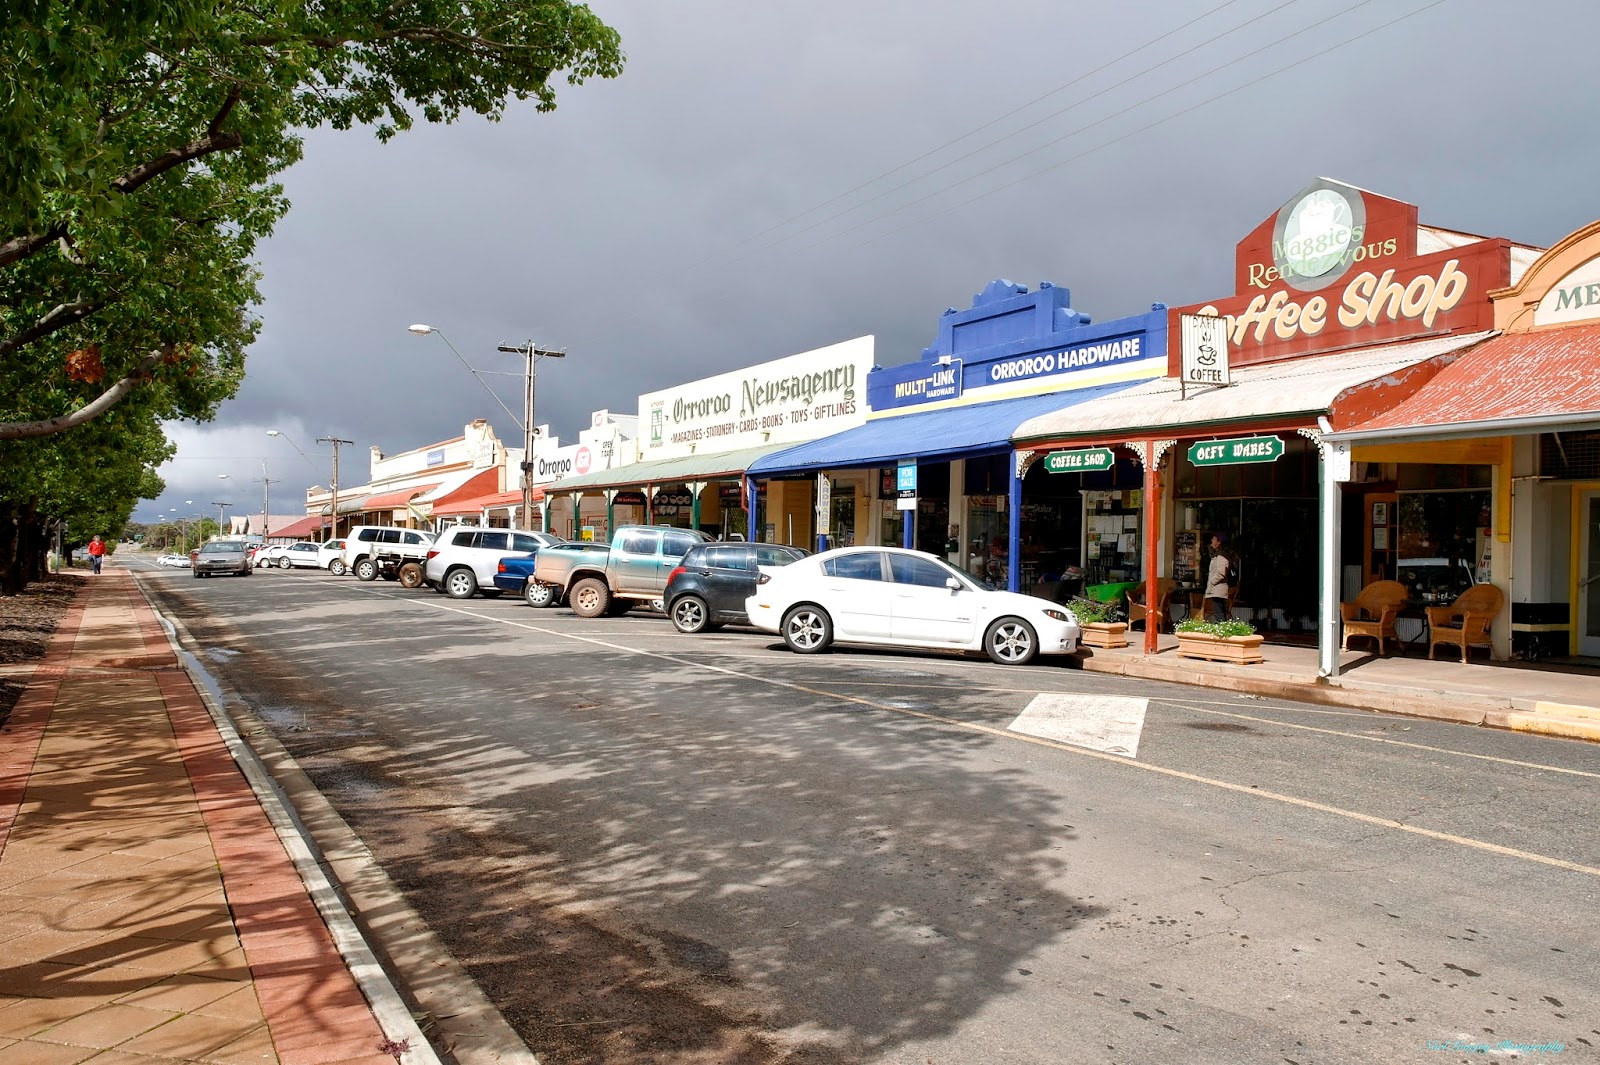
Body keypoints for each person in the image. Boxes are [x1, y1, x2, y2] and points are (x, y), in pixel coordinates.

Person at [1203, 533, 1236, 622]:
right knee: (1219, 611)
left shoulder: (1222, 554)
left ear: (1219, 542)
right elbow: (1212, 554)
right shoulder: (1217, 553)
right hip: (1216, 589)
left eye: (1214, 539)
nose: (1211, 541)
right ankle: (1223, 631)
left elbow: (1221, 572)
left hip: (1218, 589)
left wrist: (1212, 582)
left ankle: (1222, 633)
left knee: (1219, 613)